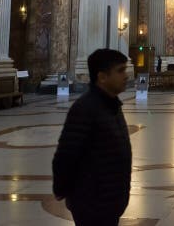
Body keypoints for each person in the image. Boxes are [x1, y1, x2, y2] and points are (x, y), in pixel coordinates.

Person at [52, 49, 132, 226]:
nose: (126, 76)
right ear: (102, 77)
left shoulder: (112, 106)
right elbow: (65, 155)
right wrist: (63, 190)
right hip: (92, 202)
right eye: (120, 71)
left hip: (109, 200)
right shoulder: (85, 109)